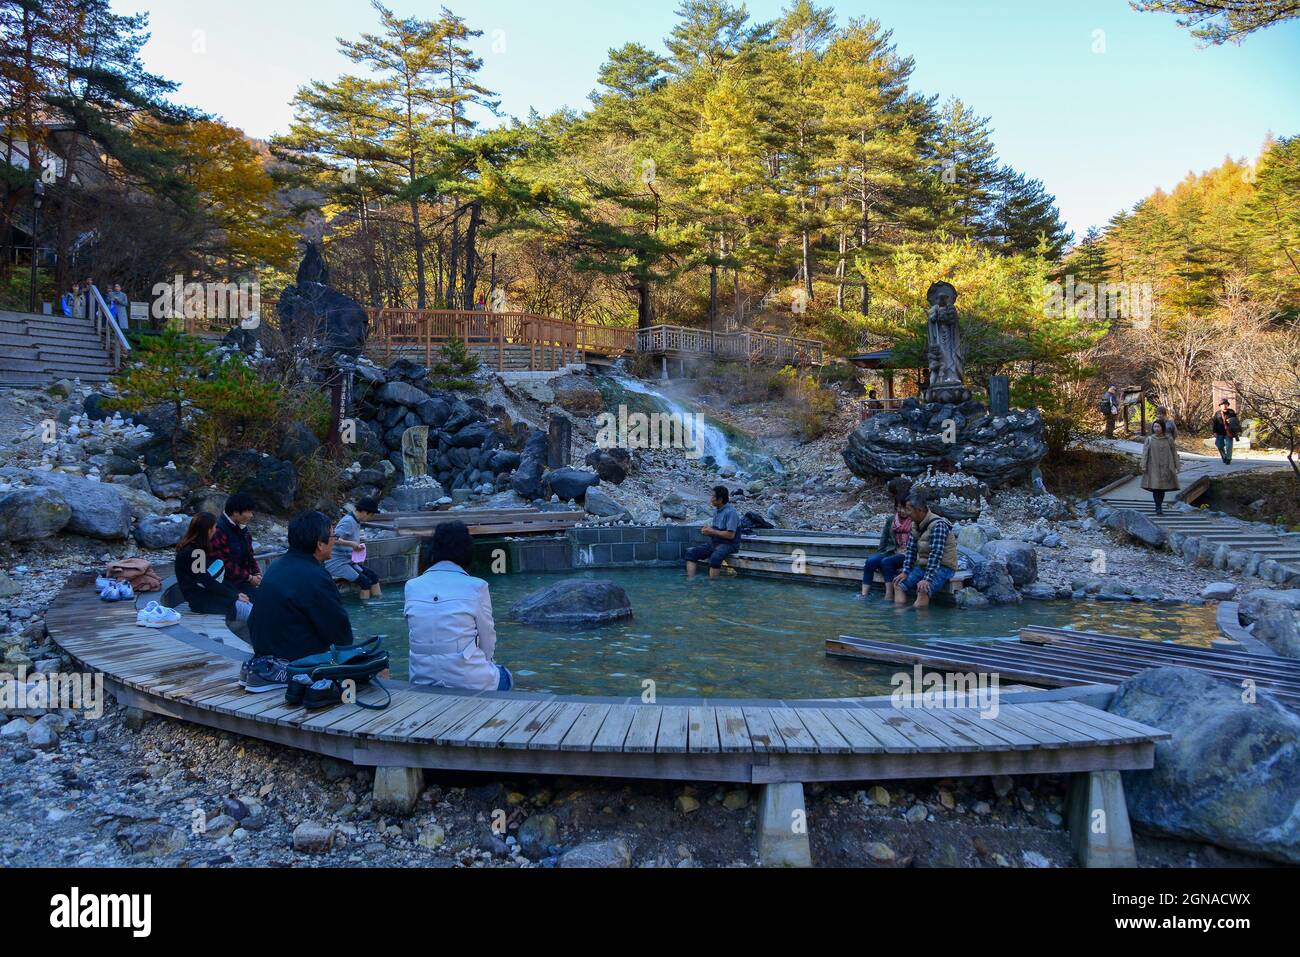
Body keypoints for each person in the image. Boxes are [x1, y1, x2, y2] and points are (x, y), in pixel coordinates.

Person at [404, 521, 511, 692]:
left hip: (421, 678)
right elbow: (488, 640)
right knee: (505, 676)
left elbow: (415, 632)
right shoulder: (477, 587)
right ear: (466, 550)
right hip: (468, 680)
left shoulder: (411, 586)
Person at [247, 512, 354, 672]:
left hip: (265, 659)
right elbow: (341, 635)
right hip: (294, 665)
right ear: (320, 544)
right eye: (333, 536)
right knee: (378, 663)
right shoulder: (315, 576)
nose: (335, 541)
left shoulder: (277, 566)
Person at [174, 513, 252, 623]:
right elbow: (207, 580)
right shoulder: (195, 553)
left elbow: (213, 579)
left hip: (207, 596)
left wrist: (236, 593)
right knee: (249, 612)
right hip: (201, 601)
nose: (216, 530)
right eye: (214, 527)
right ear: (208, 530)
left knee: (249, 604)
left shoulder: (197, 549)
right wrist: (234, 595)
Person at [891, 493, 958, 609]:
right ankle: (899, 618)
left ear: (919, 510)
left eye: (908, 510)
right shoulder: (915, 525)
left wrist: (927, 579)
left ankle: (920, 624)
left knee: (923, 590)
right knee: (898, 584)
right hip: (923, 566)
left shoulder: (938, 525)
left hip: (943, 567)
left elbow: (936, 554)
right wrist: (905, 571)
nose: (906, 513)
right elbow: (911, 550)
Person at [326, 498, 382, 600]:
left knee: (373, 576)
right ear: (365, 512)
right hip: (337, 563)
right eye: (371, 515)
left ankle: (378, 602)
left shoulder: (356, 521)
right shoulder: (348, 521)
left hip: (348, 561)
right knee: (365, 582)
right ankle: (366, 609)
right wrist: (352, 544)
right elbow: (334, 538)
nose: (371, 517)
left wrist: (358, 540)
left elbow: (347, 536)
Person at [208, 492, 262, 599]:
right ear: (235, 512)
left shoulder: (242, 529)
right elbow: (223, 564)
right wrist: (250, 578)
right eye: (248, 512)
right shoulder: (219, 531)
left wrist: (257, 574)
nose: (251, 515)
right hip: (226, 586)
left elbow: (250, 556)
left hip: (242, 582)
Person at [686, 486, 741, 579]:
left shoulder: (731, 512)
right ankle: (690, 580)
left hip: (729, 544)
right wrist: (708, 530)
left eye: (713, 496)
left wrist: (712, 531)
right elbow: (717, 529)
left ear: (720, 499)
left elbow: (731, 535)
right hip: (716, 542)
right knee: (691, 553)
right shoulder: (716, 510)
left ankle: (713, 586)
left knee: (715, 558)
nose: (710, 499)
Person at [862, 496, 912, 598]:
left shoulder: (914, 520)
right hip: (892, 550)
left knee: (886, 561)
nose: (901, 511)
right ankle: (864, 595)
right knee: (870, 561)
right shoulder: (891, 520)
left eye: (904, 508)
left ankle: (888, 594)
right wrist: (879, 554)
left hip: (907, 553)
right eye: (898, 507)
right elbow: (884, 538)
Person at [1141, 420, 1181, 515]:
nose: (1156, 429)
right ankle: (1158, 507)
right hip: (1153, 467)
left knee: (1162, 488)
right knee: (1155, 488)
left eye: (1158, 427)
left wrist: (1177, 465)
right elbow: (1145, 453)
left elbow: (1174, 452)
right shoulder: (1150, 439)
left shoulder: (1169, 439)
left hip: (1166, 467)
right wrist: (1143, 465)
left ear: (1163, 428)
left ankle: (1159, 505)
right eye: (1155, 427)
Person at [1212, 400, 1242, 465]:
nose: (1224, 406)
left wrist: (1231, 420)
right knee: (1219, 445)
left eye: (1226, 404)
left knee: (1229, 445)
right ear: (1220, 406)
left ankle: (1228, 459)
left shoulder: (1231, 412)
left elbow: (1236, 422)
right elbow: (1214, 423)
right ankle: (1224, 456)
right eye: (1222, 405)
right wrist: (1214, 432)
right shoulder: (1217, 413)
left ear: (1228, 405)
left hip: (1229, 432)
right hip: (1219, 432)